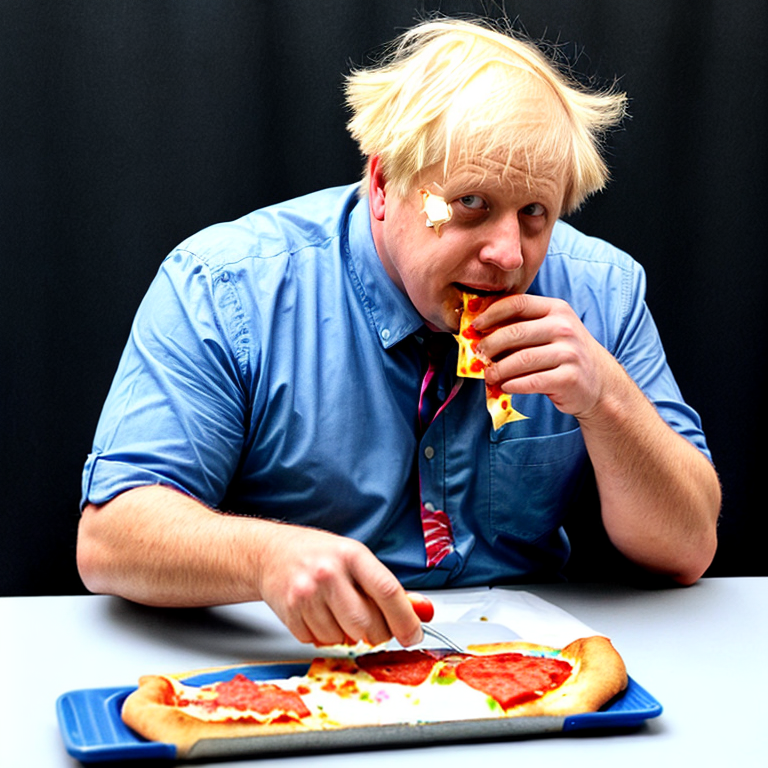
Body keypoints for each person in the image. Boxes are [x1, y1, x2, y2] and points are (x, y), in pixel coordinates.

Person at [77, 18, 720, 649]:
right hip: (295, 668)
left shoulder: (602, 291)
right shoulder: (226, 287)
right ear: (384, 184)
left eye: (534, 213)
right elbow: (109, 538)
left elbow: (687, 549)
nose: (508, 254)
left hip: (527, 669)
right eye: (471, 204)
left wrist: (606, 398)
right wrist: (266, 556)